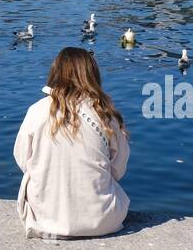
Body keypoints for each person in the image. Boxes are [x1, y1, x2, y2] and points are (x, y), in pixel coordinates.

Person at [13, 47, 130, 239]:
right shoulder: (106, 115)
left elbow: (22, 160)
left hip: (45, 220)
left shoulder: (37, 111)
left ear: (55, 73)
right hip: (103, 220)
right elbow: (118, 169)